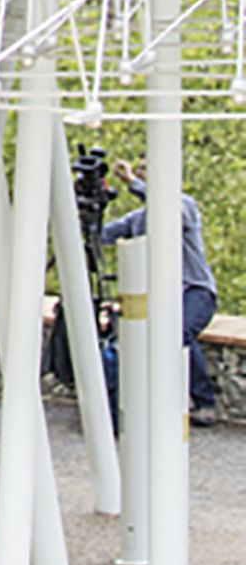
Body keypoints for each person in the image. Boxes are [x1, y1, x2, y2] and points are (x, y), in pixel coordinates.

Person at [103, 157, 221, 426]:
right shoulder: (138, 219)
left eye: (147, 169)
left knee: (178, 331)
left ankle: (204, 400)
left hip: (194, 289)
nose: (142, 174)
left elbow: (168, 214)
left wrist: (134, 182)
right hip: (158, 295)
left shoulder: (183, 204)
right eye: (141, 169)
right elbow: (103, 234)